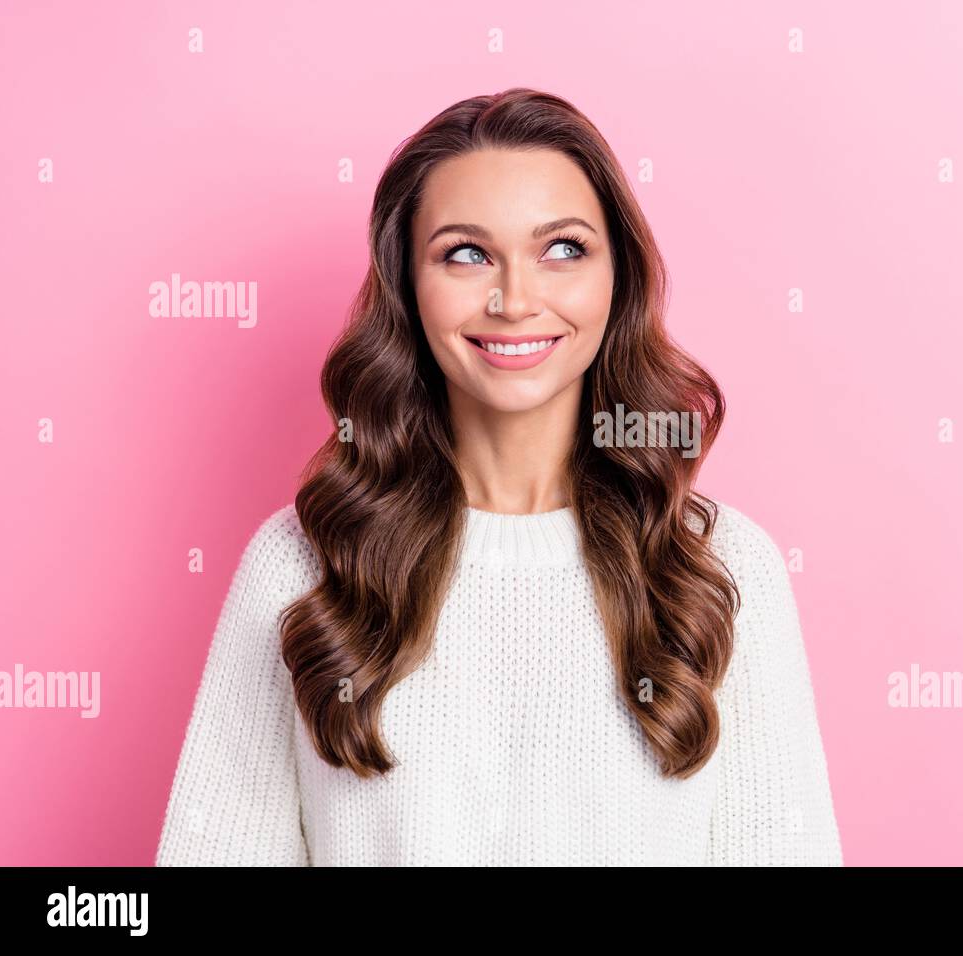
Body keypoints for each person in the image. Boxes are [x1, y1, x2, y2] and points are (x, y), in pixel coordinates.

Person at [156, 88, 842, 866]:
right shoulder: (304, 563)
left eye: (562, 249)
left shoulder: (723, 566)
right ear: (407, 288)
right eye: (466, 253)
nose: (515, 299)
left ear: (617, 278)